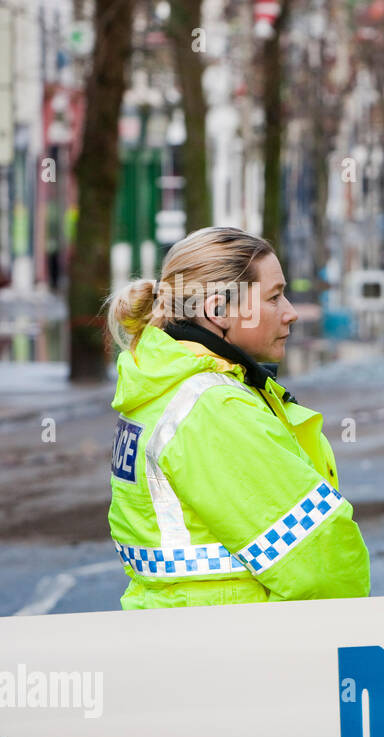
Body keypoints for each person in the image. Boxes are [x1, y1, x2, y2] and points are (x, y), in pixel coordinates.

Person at [106, 226, 370, 608]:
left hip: (185, 635)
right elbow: (320, 564)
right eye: (275, 297)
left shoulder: (161, 386)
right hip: (238, 647)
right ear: (218, 311)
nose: (291, 313)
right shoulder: (214, 407)